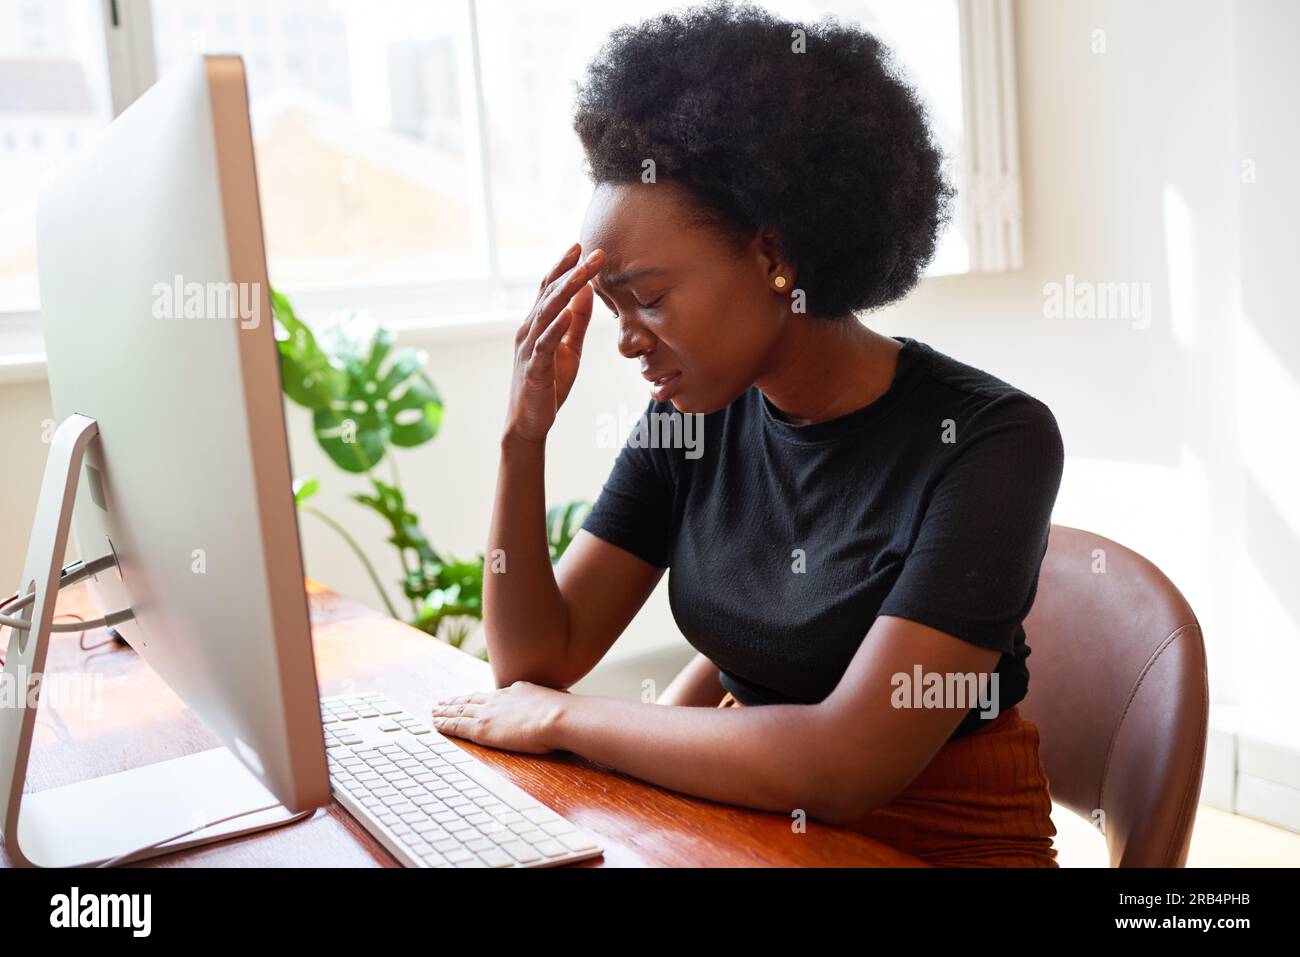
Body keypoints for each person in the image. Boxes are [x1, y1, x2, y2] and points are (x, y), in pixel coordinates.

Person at [431, 0, 1063, 867]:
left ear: (774, 258)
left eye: (647, 296)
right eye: (610, 305)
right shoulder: (694, 419)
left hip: (936, 846)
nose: (626, 337)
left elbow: (846, 764)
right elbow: (539, 657)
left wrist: (566, 719)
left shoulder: (994, 441)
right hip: (746, 825)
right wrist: (522, 435)